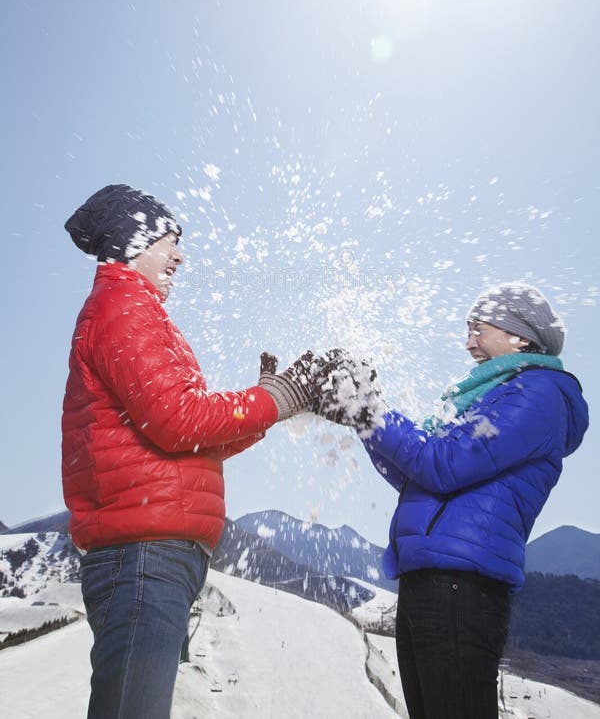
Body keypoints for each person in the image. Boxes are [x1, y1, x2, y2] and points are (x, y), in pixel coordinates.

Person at [62, 183, 318, 719]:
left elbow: (190, 437)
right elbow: (178, 421)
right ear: (136, 240)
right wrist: (270, 402)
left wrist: (271, 405)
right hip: (142, 555)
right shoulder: (121, 310)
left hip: (154, 553)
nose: (179, 255)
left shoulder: (138, 313)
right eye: (169, 240)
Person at [315, 282, 589, 719]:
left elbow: (442, 464)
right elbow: (413, 475)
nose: (468, 343)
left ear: (520, 336)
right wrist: (362, 419)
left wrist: (373, 410)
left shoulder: (538, 395)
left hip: (461, 588)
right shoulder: (485, 396)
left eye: (479, 329)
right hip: (429, 580)